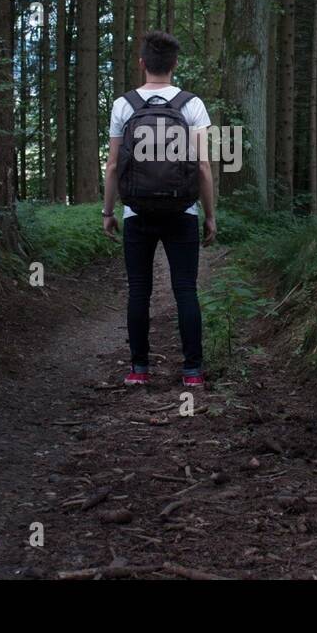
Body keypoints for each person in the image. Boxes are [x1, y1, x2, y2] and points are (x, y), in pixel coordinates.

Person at [102, 30, 216, 388]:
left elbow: (112, 165)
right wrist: (210, 215)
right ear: (175, 65)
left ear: (142, 64)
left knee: (139, 290)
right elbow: (202, 166)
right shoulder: (191, 104)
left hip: (137, 212)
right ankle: (193, 372)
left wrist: (108, 212)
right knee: (186, 289)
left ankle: (138, 369)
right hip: (183, 211)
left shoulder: (125, 105)